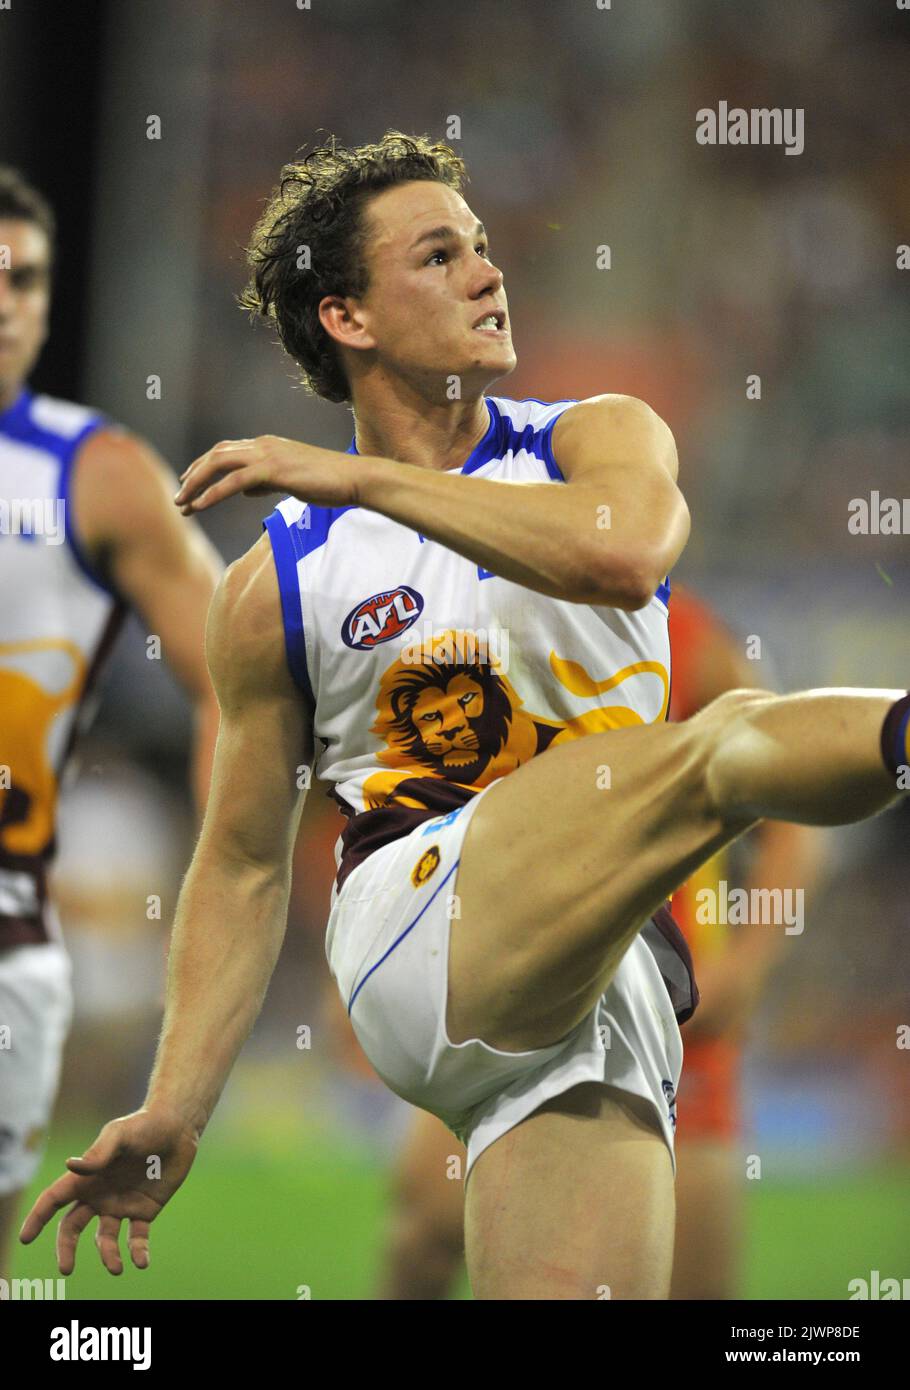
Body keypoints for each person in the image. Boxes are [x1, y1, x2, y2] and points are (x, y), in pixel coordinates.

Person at [20, 132, 910, 1300]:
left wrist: (368, 477)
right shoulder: (274, 583)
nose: (489, 274)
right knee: (725, 741)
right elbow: (239, 864)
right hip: (419, 921)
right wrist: (175, 1104)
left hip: (605, 979)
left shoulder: (598, 437)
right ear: (348, 318)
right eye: (440, 256)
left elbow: (625, 556)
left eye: (483, 248)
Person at [0, 167, 222, 1278]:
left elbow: (240, 676)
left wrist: (228, 869)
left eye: (26, 279)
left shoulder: (103, 480)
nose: (5, 301)